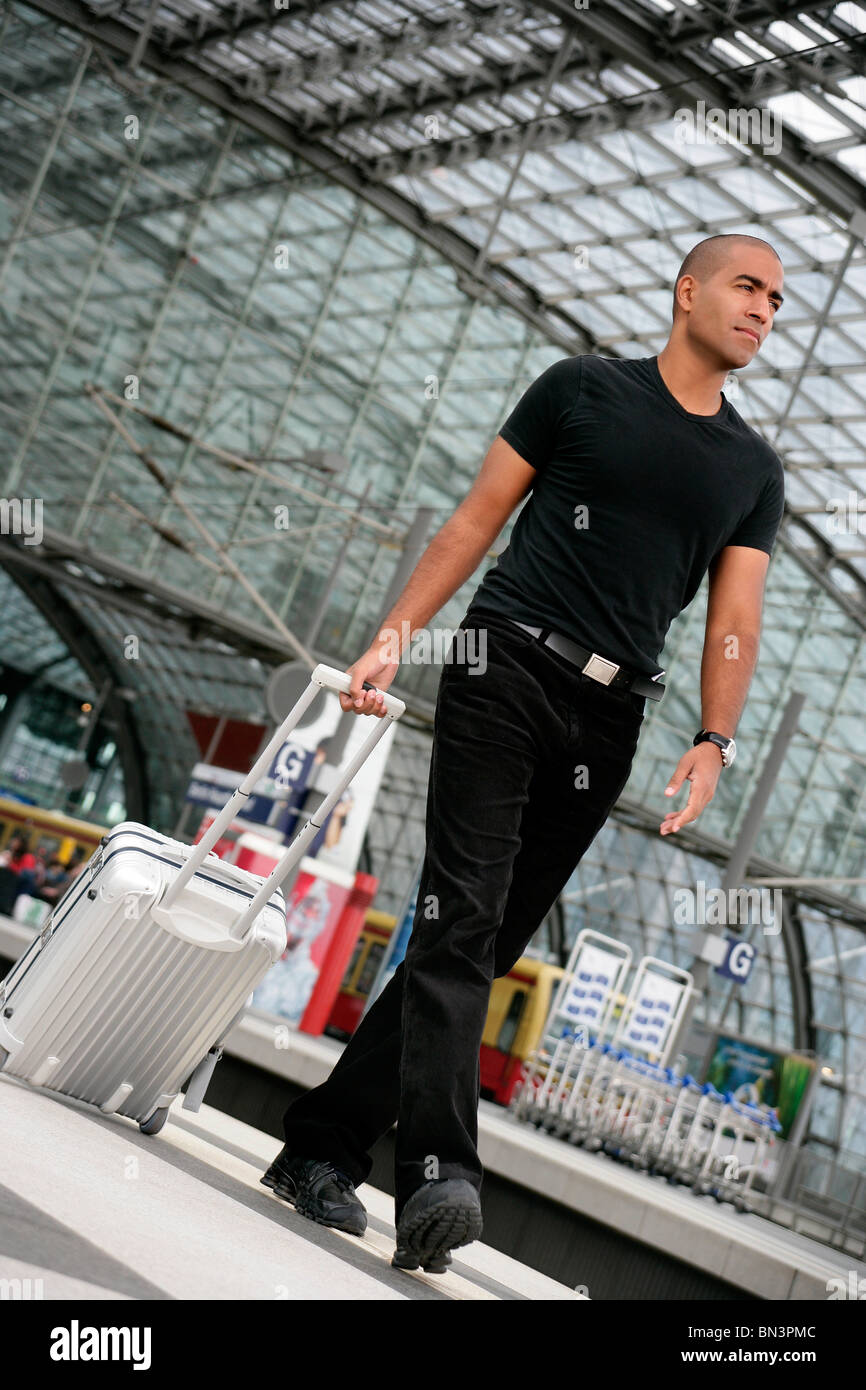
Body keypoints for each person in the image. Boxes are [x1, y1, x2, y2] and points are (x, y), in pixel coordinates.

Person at [260, 233, 786, 1273]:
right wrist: (392, 637)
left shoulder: (750, 469)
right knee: (456, 917)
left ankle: (317, 1147)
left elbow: (735, 617)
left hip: (612, 716)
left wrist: (713, 739)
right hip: (502, 662)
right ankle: (437, 1177)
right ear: (686, 291)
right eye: (745, 285)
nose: (763, 309)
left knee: (484, 943)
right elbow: (472, 521)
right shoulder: (579, 390)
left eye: (775, 298)